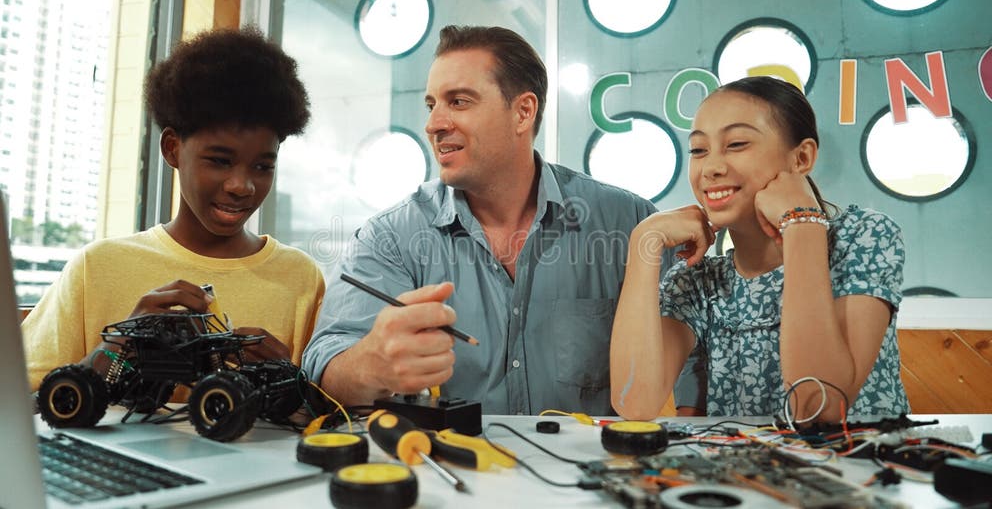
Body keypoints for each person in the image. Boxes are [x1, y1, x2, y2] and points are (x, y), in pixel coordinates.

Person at [302, 25, 703, 416]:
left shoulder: (628, 224)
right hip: (452, 470)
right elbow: (324, 367)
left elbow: (695, 357)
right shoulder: (389, 238)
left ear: (523, 112)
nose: (434, 124)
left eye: (458, 101)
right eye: (431, 104)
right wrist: (372, 364)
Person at [22, 26, 325, 390]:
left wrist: (290, 384)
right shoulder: (96, 269)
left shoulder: (301, 279)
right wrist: (118, 345)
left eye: (263, 166)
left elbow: (327, 422)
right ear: (172, 149)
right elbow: (22, 403)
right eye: (220, 161)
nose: (241, 186)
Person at [610, 76, 909, 422]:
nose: (711, 167)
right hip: (746, 475)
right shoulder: (698, 280)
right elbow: (634, 402)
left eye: (736, 144)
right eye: (698, 150)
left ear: (801, 157)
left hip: (861, 469)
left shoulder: (864, 237)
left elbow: (818, 406)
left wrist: (802, 224)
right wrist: (643, 242)